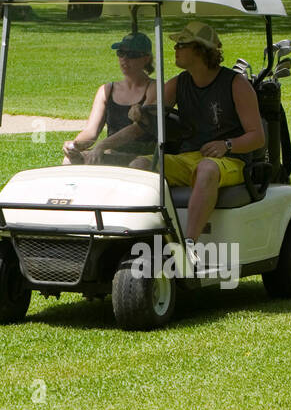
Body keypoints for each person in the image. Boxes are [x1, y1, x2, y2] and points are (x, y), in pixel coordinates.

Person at [128, 20, 264, 266]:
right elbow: (148, 118)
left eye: (182, 44)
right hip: (189, 158)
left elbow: (257, 136)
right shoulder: (179, 83)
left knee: (207, 168)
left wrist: (227, 145)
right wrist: (105, 143)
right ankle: (140, 238)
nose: (175, 50)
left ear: (200, 50)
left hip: (230, 161)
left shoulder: (236, 84)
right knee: (138, 165)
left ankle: (188, 245)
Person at [62, 32, 158, 167]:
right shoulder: (106, 90)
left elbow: (138, 129)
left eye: (132, 55)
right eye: (121, 53)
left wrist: (102, 146)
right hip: (113, 155)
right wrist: (75, 145)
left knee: (137, 165)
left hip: (141, 157)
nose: (124, 59)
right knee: (69, 160)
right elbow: (91, 131)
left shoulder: (155, 88)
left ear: (146, 58)